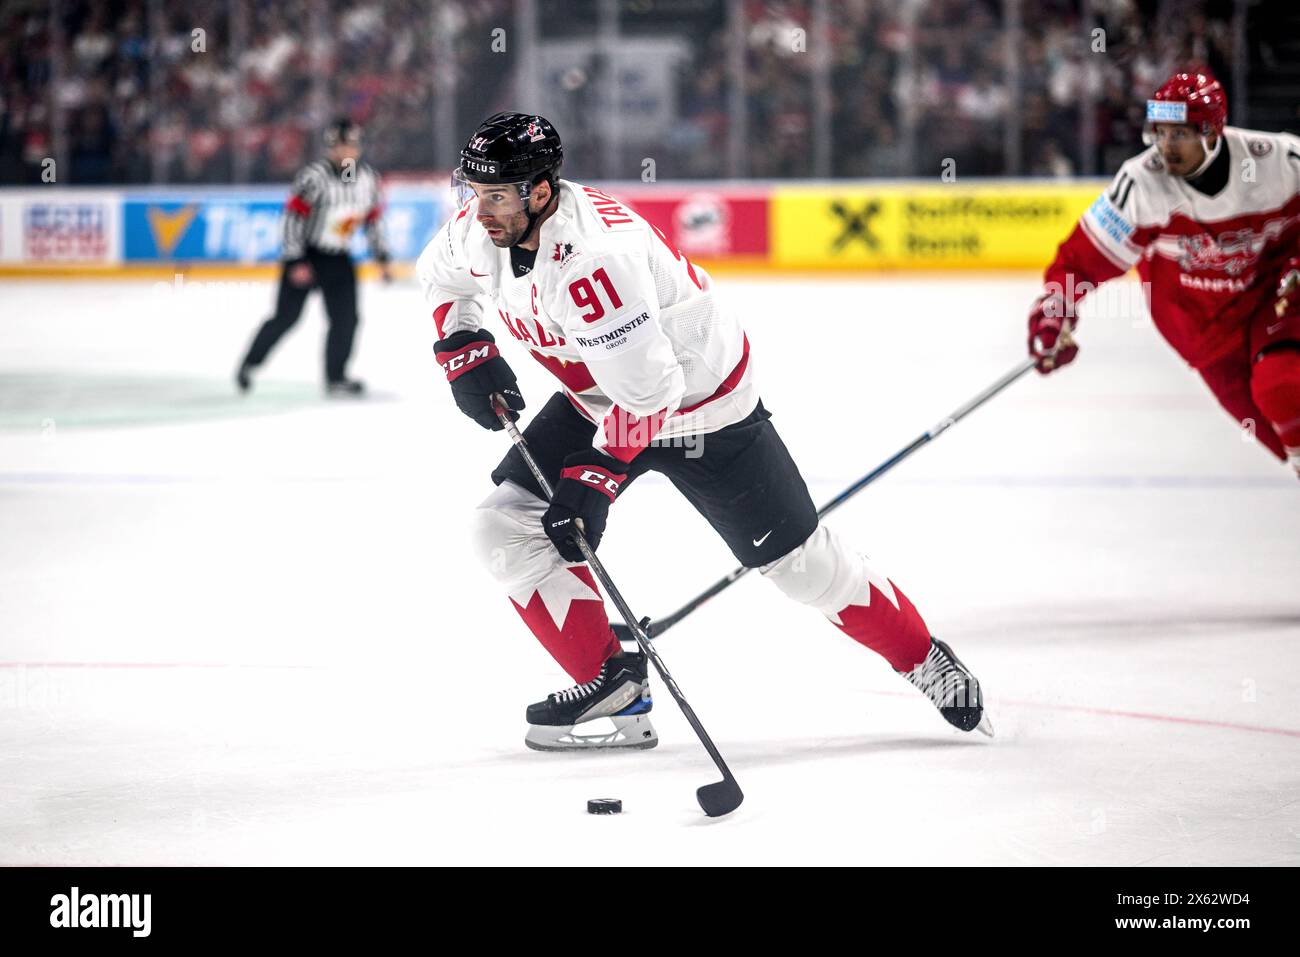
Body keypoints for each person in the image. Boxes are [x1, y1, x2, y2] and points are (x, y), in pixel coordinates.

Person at [418, 112, 991, 751]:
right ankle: (614, 685)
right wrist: (463, 344)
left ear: (540, 191)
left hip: (703, 408)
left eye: (495, 195)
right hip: (598, 399)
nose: (479, 209)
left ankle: (924, 659)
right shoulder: (481, 230)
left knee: (799, 565)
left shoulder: (591, 262)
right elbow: (439, 277)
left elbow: (652, 390)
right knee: (500, 527)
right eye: (474, 191)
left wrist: (594, 481)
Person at [1029, 69, 1300, 478]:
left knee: (1281, 387)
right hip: (1206, 338)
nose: (1165, 148)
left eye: (1179, 134)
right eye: (1159, 132)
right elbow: (1080, 261)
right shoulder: (1142, 185)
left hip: (1276, 297)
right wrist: (1054, 310)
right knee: (1285, 445)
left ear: (1211, 133)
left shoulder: (1277, 161)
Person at [238, 118, 391, 396]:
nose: (347, 152)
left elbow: (372, 220)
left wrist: (381, 256)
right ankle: (249, 363)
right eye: (341, 145)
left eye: (353, 145)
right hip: (307, 255)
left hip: (339, 257)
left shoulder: (368, 180)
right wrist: (295, 260)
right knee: (287, 317)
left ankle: (336, 377)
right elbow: (292, 219)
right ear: (331, 148)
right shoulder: (314, 177)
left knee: (347, 319)